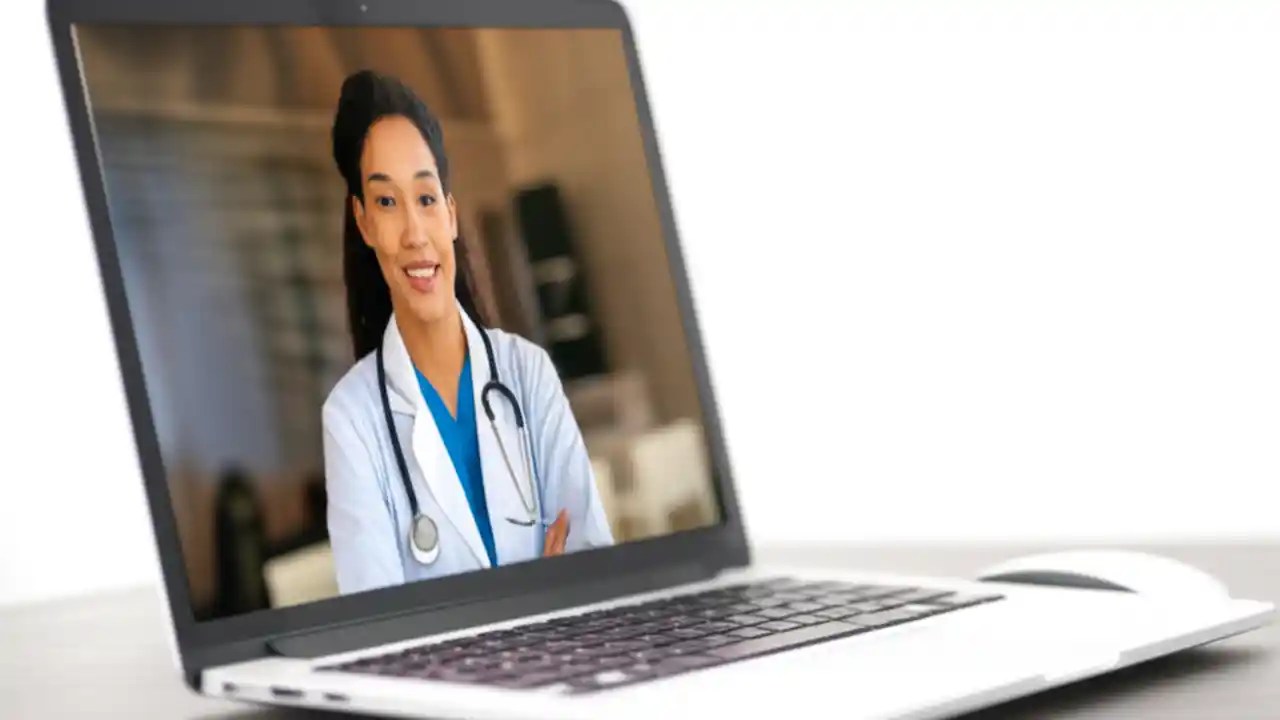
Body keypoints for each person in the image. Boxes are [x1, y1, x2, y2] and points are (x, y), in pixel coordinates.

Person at [322, 70, 613, 595]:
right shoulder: (352, 420)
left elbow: (592, 567)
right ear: (363, 223)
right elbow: (382, 629)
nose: (415, 234)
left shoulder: (526, 372)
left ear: (452, 215)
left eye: (427, 199)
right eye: (387, 203)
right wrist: (534, 591)